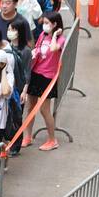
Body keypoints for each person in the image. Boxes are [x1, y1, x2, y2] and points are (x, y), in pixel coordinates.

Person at [26, 12, 66, 152]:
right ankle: (28, 136)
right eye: (44, 22)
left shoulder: (60, 39)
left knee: (44, 109)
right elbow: (37, 49)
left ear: (55, 24)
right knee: (30, 106)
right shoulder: (42, 35)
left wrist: (54, 36)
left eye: (48, 23)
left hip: (48, 77)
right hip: (35, 72)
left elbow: (54, 49)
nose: (44, 25)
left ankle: (52, 139)